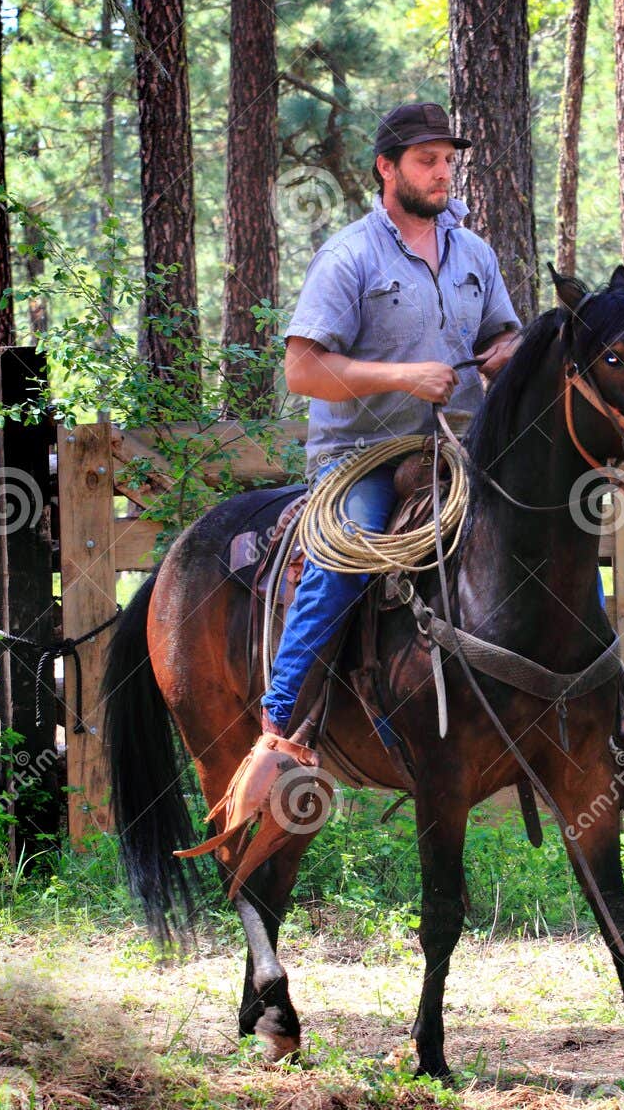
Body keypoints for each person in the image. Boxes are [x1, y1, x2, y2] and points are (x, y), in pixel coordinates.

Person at [212, 101, 523, 858]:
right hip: (366, 456)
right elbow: (302, 368)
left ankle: (602, 716)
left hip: (461, 452)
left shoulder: (473, 254)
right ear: (386, 169)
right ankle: (280, 726)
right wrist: (400, 376)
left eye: (448, 159)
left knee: (545, 537)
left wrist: (508, 352)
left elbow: (503, 332)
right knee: (344, 557)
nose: (441, 172)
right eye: (425, 160)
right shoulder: (349, 256)